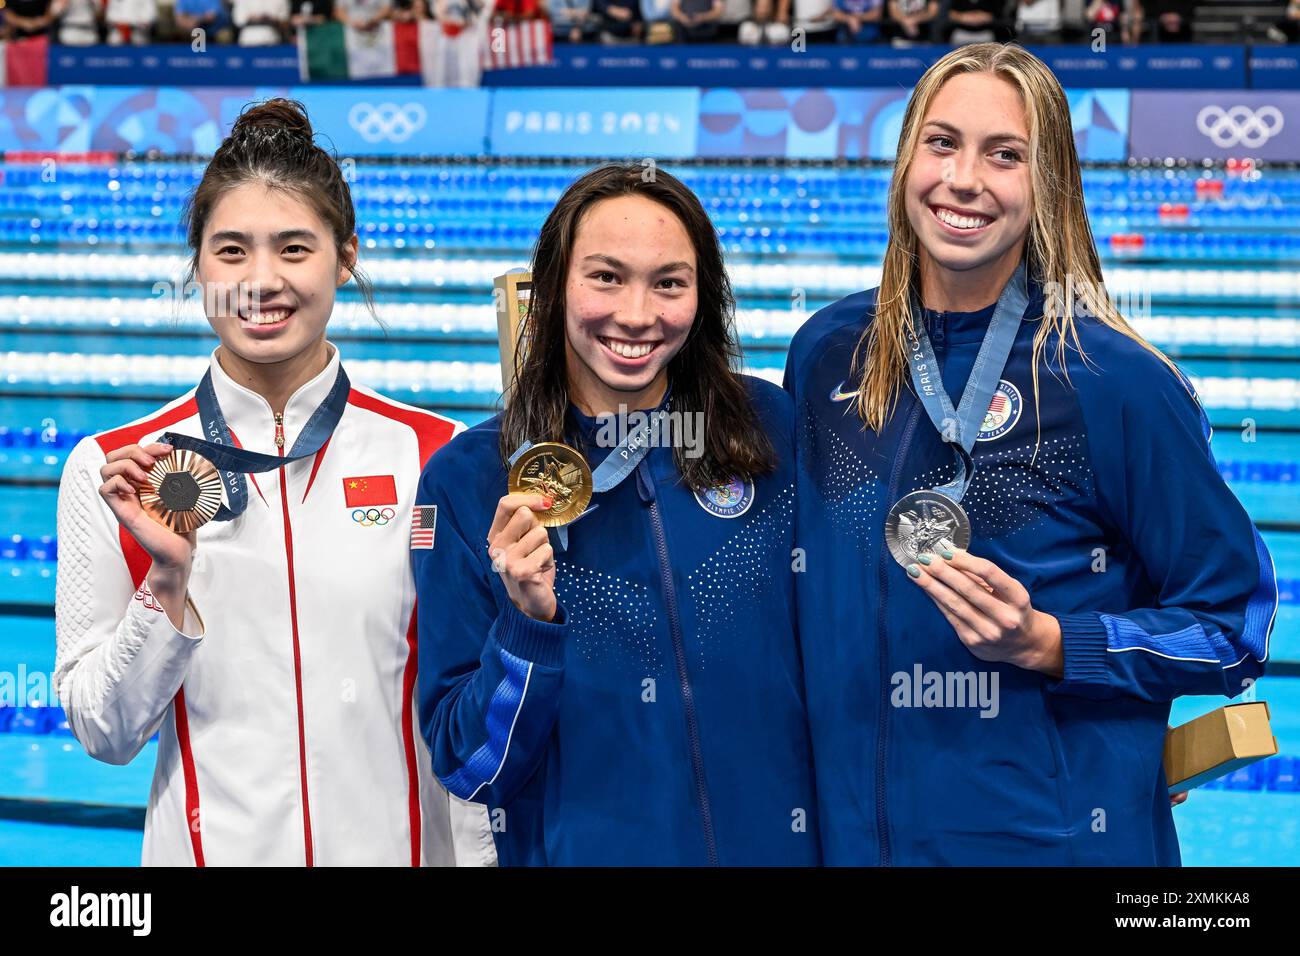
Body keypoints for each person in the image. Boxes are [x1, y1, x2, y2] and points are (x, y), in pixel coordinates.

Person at [784, 42, 1275, 866]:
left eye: (1004, 154)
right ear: (908, 159)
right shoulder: (830, 352)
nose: (964, 179)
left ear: (1046, 182)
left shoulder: (1113, 379)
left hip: (1046, 844)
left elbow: (1232, 625)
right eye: (942, 143)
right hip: (855, 838)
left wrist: (1052, 643)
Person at [54, 99, 492, 867]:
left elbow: (466, 722)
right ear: (197, 267)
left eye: (294, 248)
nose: (262, 281)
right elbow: (105, 733)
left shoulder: (434, 457)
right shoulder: (114, 468)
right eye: (230, 251)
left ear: (345, 256)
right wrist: (168, 580)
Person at [414, 163, 819, 866]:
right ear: (554, 288)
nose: (637, 315)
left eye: (669, 283)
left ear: (704, 296)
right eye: (605, 277)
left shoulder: (767, 429)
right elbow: (469, 764)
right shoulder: (471, 479)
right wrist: (527, 628)